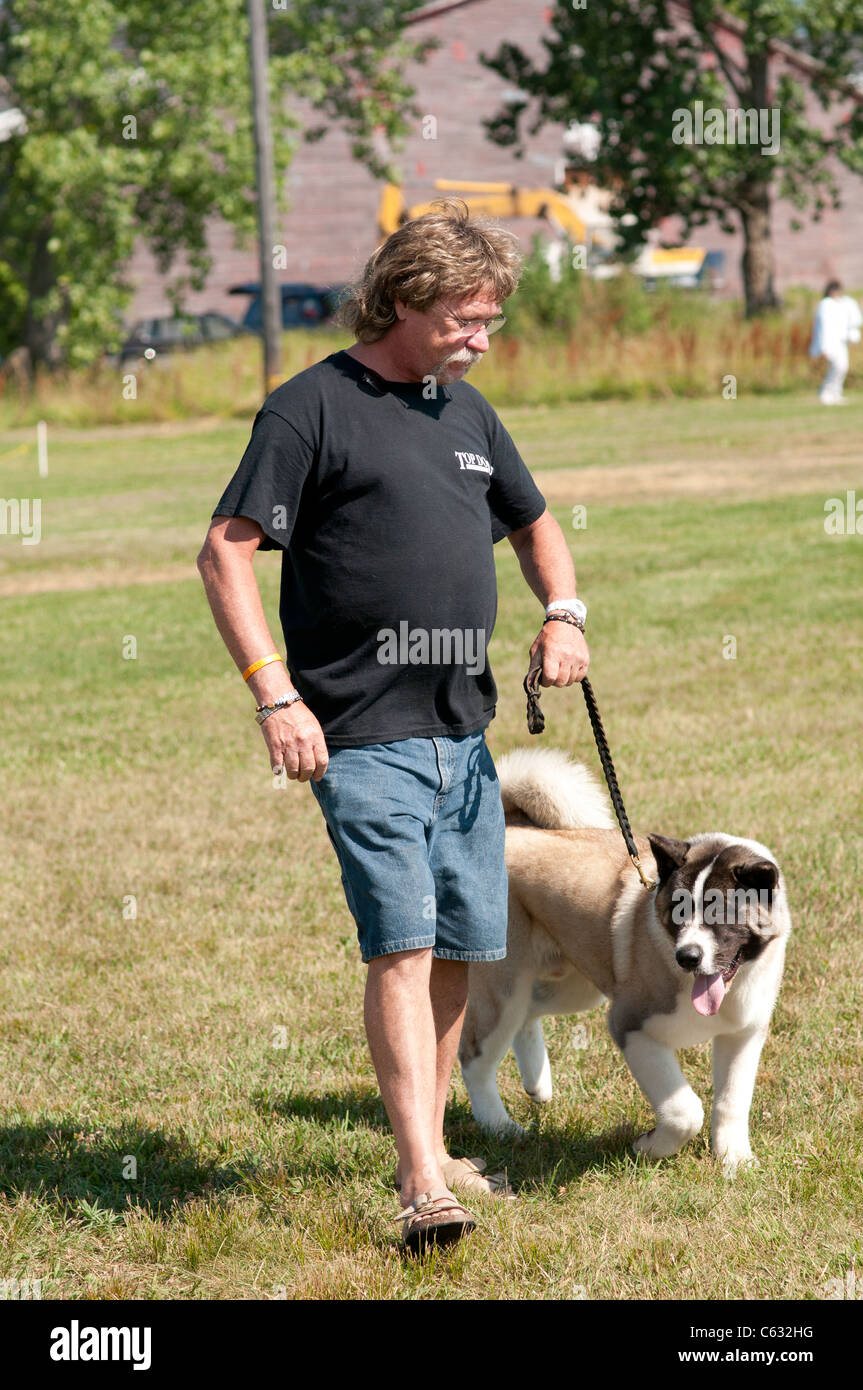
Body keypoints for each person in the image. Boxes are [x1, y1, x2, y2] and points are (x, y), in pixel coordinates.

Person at [196, 199, 589, 1253]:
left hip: (462, 733)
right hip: (360, 735)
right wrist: (276, 695)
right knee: (403, 948)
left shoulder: (467, 413)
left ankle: (434, 1141)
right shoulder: (308, 408)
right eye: (467, 319)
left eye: (491, 323)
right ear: (407, 299)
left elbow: (534, 520)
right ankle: (423, 1180)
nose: (481, 340)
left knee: (457, 943)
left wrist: (562, 612)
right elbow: (224, 552)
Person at [809, 279, 863, 405]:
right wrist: (824, 346)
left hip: (841, 342)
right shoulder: (825, 305)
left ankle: (835, 393)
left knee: (842, 367)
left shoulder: (843, 304)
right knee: (838, 366)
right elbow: (824, 328)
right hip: (829, 342)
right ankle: (826, 392)